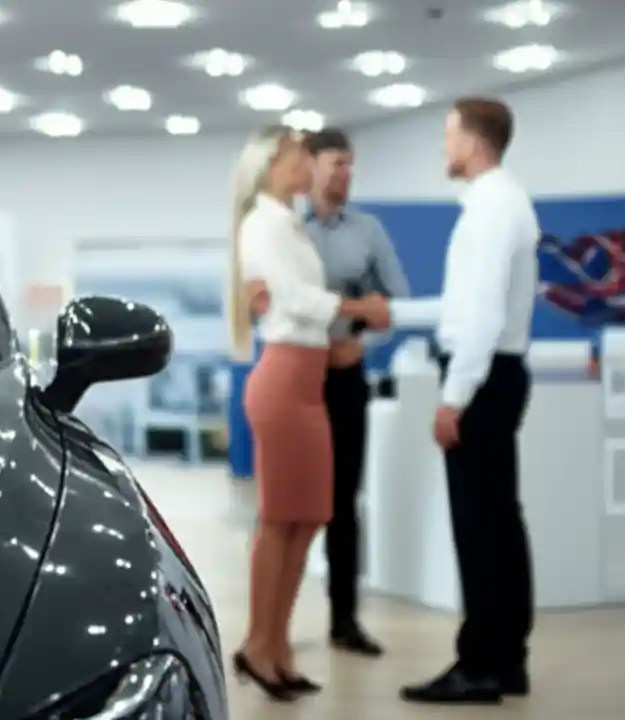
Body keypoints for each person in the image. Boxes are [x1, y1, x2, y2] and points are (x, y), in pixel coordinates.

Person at [227, 124, 389, 701]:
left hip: (307, 382)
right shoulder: (262, 224)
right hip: (284, 382)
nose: (311, 164)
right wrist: (354, 306)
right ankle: (257, 644)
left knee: (309, 516)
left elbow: (292, 298)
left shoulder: (287, 223)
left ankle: (277, 643)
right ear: (275, 163)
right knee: (280, 519)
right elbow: (292, 300)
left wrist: (334, 314)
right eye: (300, 155)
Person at [400, 97, 539, 705]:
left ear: (475, 143)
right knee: (500, 525)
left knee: (480, 529)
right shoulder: (502, 201)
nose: (443, 147)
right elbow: (465, 306)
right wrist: (393, 313)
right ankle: (507, 659)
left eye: (448, 135)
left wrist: (454, 397)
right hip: (499, 375)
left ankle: (479, 662)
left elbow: (479, 317)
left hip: (480, 381)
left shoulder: (490, 207)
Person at [301, 127, 409, 656]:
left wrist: (359, 341)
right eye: (337, 163)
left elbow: (395, 302)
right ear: (312, 167)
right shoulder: (285, 230)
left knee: (344, 502)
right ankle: (271, 628)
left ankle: (344, 621)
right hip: (295, 380)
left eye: (350, 165)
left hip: (344, 380)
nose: (345, 174)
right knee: (289, 505)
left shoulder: (368, 231)